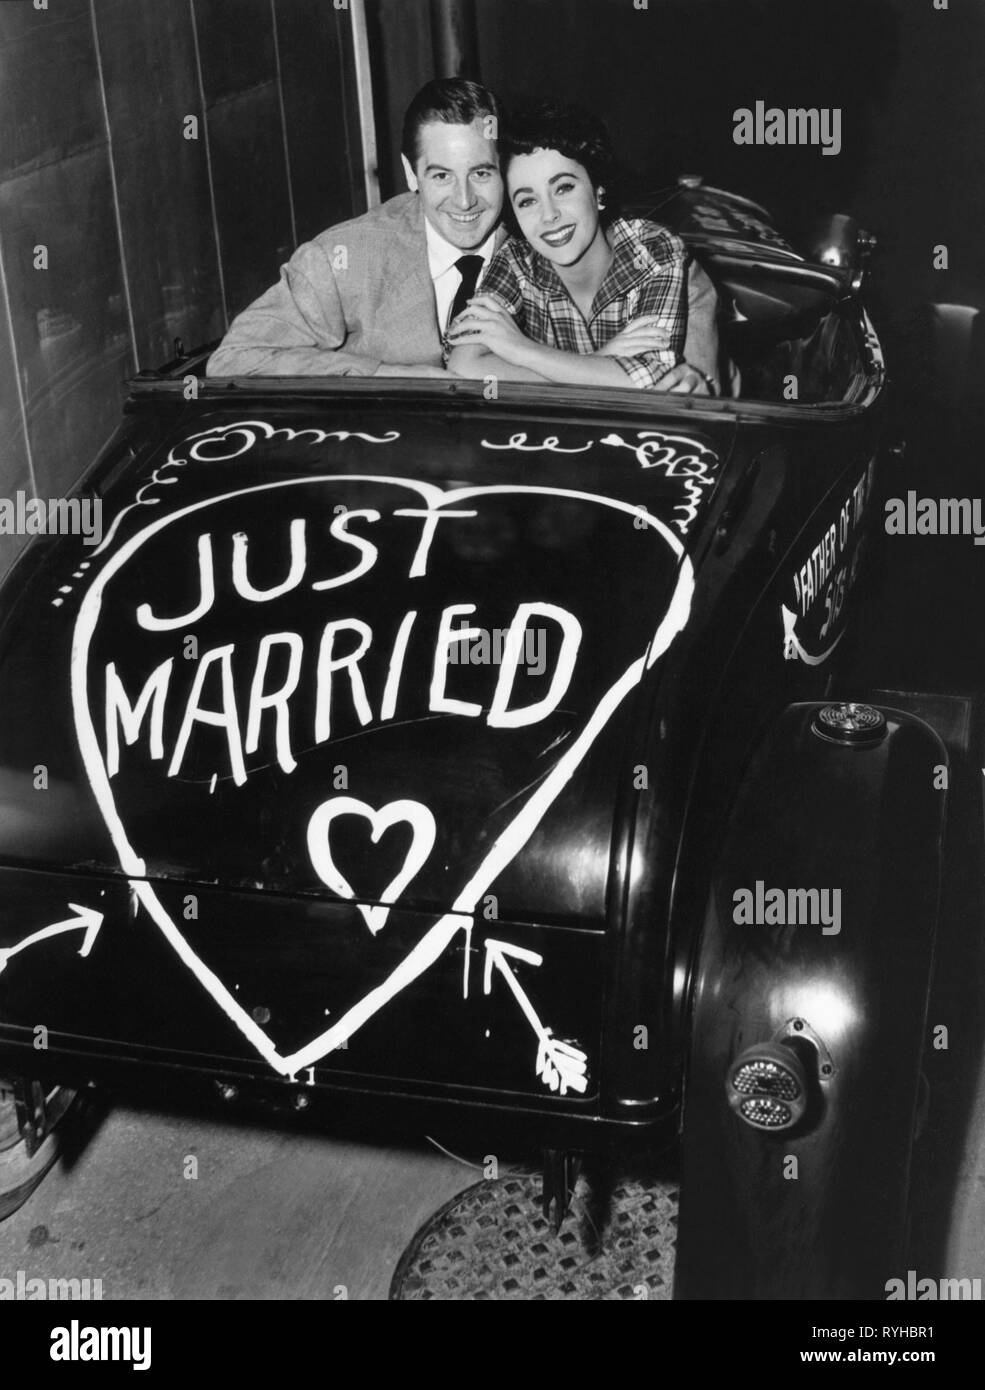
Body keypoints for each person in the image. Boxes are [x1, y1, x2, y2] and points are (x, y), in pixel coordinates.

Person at [206, 79, 720, 392]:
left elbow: (686, 393)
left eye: (480, 173)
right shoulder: (346, 259)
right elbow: (235, 361)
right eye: (439, 176)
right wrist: (406, 381)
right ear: (411, 176)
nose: (465, 201)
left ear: (505, 168)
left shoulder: (541, 247)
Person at [447, 102, 709, 391]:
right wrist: (599, 360)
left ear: (598, 191)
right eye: (527, 201)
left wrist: (521, 350)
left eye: (563, 188)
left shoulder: (653, 250)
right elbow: (463, 364)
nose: (549, 215)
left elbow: (655, 381)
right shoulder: (515, 261)